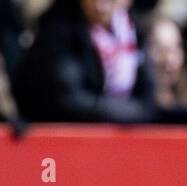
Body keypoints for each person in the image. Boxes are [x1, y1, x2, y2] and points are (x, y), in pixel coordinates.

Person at [14, 0, 157, 123]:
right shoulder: (58, 30)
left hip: (125, 134)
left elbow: (148, 96)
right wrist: (135, 112)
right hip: (64, 139)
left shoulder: (133, 30)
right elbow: (69, 100)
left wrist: (141, 112)